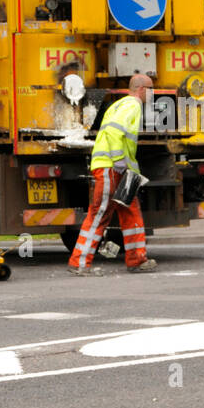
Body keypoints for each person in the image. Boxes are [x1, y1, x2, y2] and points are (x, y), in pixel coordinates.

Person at [68, 73, 158, 276]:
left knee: (130, 212)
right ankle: (79, 262)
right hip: (111, 167)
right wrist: (118, 160)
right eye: (151, 90)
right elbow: (114, 132)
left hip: (117, 169)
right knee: (100, 213)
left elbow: (112, 131)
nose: (153, 94)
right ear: (141, 89)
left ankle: (137, 259)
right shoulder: (133, 105)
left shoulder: (118, 105)